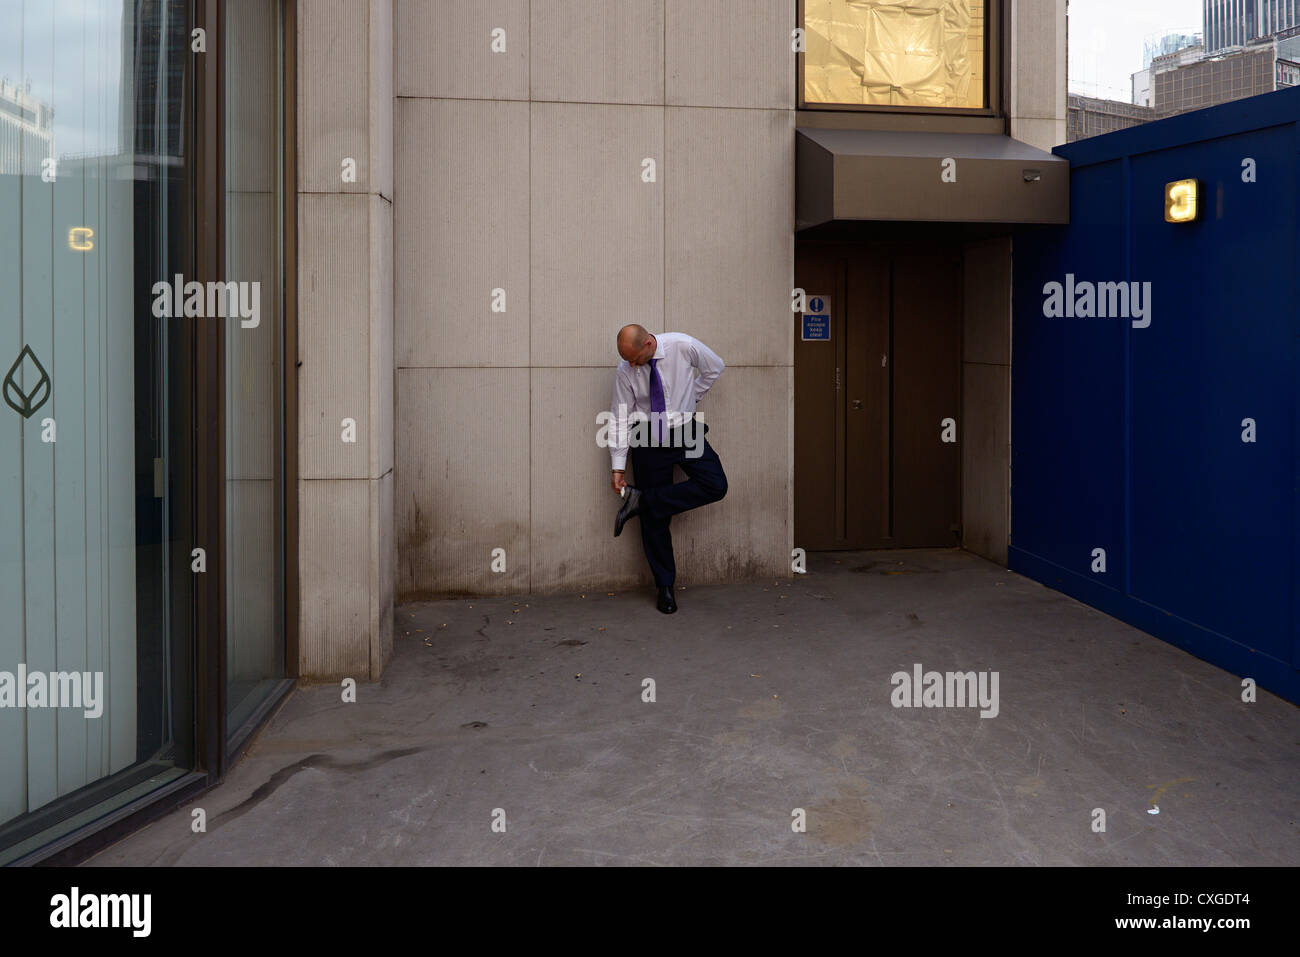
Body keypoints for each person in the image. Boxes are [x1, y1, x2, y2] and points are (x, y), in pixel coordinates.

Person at [608, 324, 728, 614]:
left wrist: (692, 397)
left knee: (715, 484)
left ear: (648, 344)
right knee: (655, 523)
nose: (632, 365)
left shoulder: (682, 345)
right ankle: (664, 586)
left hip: (685, 431)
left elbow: (715, 367)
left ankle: (643, 500)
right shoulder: (626, 369)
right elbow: (621, 415)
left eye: (635, 359)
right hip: (647, 437)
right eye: (628, 360)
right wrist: (618, 465)